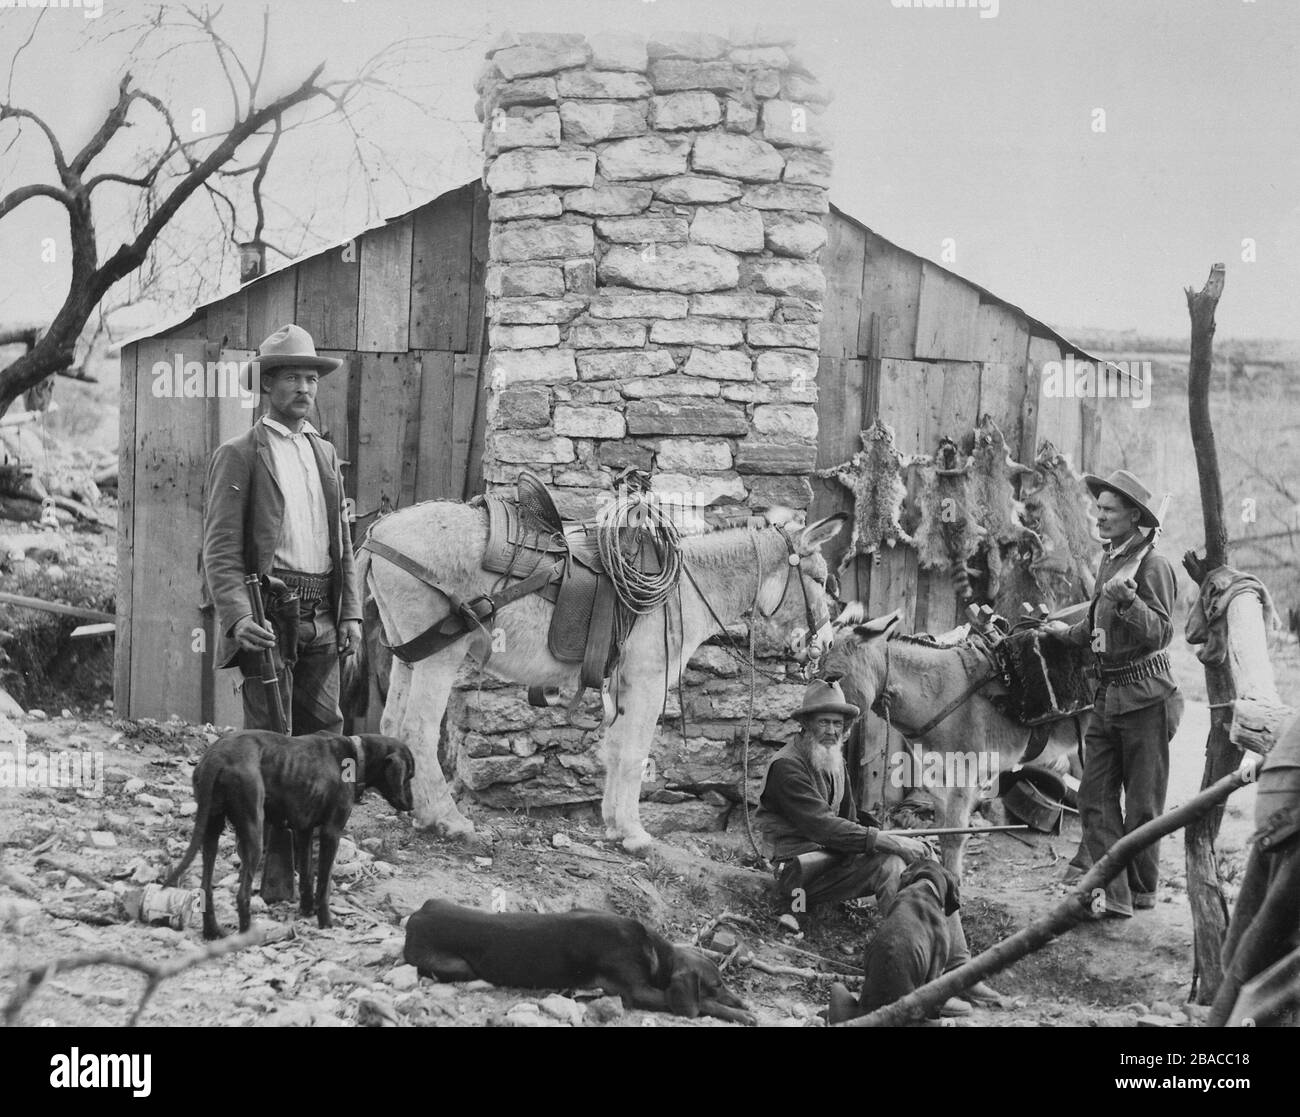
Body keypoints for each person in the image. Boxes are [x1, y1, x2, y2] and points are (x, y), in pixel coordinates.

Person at [201, 323, 363, 899]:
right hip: (268, 620)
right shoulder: (240, 455)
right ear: (267, 386)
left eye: (311, 378)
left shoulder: (324, 451)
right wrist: (237, 615)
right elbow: (220, 548)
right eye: (292, 377)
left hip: (323, 614)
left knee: (328, 741)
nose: (304, 387)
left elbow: (341, 542)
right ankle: (272, 874)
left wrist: (350, 614)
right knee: (270, 749)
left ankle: (323, 859)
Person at [756, 679, 1002, 1015]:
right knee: (891, 864)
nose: (831, 731)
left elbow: (851, 819)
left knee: (921, 866)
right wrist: (887, 842)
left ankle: (960, 972)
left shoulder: (832, 759)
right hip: (797, 874)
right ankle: (914, 987)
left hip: (830, 861)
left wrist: (900, 837)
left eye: (837, 724)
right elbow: (824, 826)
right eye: (823, 722)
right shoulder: (787, 766)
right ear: (805, 724)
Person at [1044, 469, 1182, 919]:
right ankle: (1118, 892)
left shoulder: (1153, 566)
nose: (1098, 516)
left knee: (1143, 806)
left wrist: (1130, 601)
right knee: (1092, 797)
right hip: (1106, 698)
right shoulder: (1111, 559)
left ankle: (1141, 892)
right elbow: (1096, 626)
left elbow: (1161, 632)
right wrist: (1066, 634)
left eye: (1108, 510)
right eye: (1098, 508)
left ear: (1133, 516)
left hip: (1146, 699)